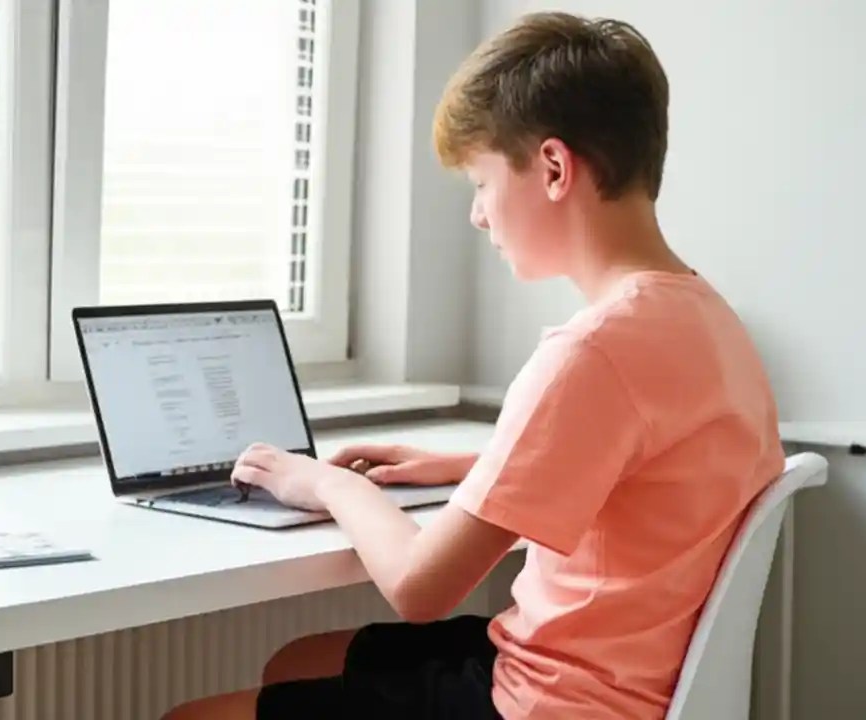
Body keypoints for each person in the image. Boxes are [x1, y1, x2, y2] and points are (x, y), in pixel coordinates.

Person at [163, 10, 784, 720]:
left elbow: (420, 589)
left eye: (482, 183)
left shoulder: (594, 350)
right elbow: (644, 471)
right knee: (299, 662)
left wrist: (326, 484)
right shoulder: (703, 318)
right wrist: (468, 465)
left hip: (552, 702)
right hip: (630, 678)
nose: (479, 216)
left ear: (553, 168)